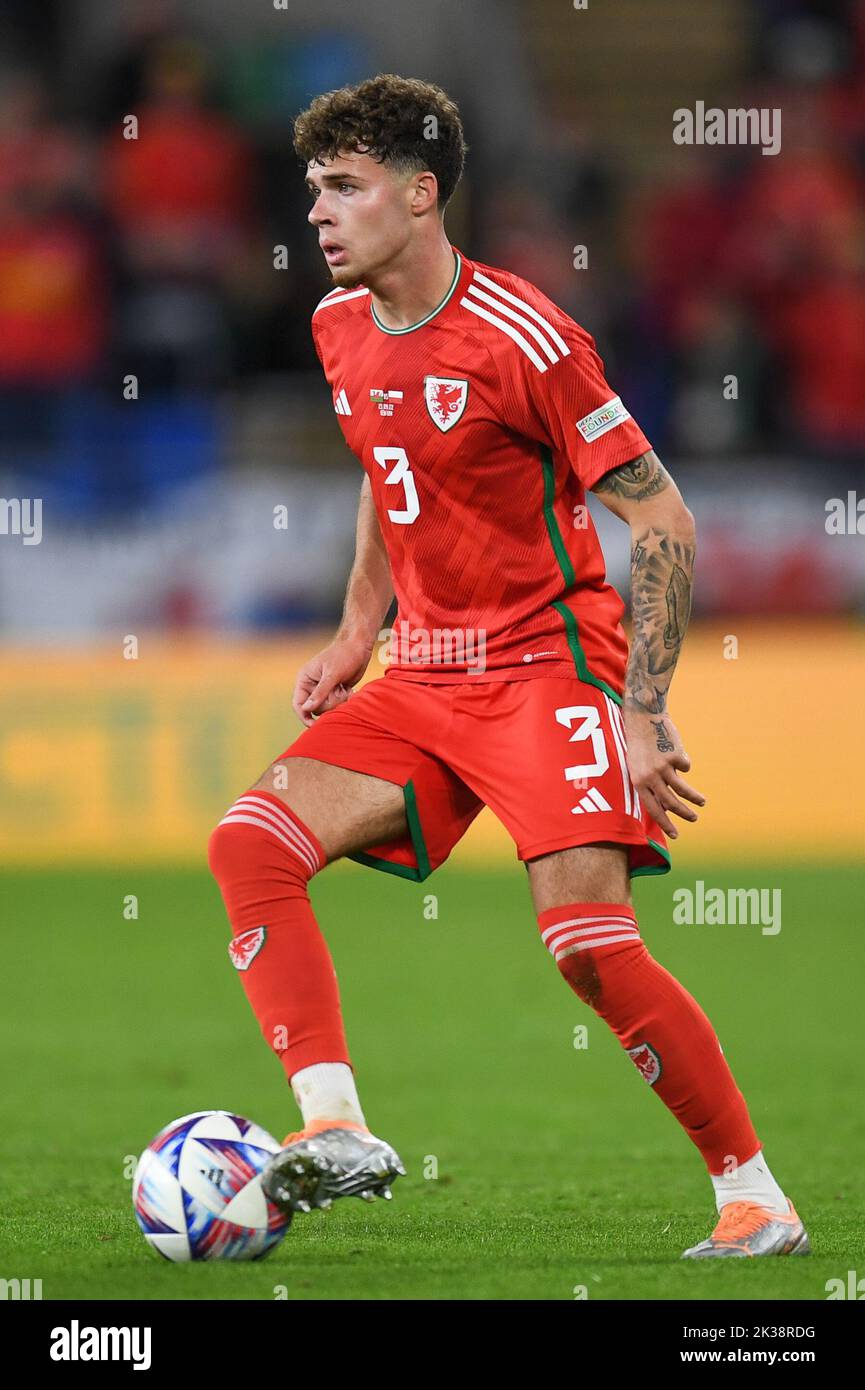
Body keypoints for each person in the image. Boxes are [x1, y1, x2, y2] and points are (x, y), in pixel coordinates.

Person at [208, 75, 809, 1258]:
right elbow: (391, 481)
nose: (316, 214)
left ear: (421, 195)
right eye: (312, 190)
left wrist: (641, 712)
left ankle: (754, 1196)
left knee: (585, 942)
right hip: (424, 676)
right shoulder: (337, 329)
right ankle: (335, 1127)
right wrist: (355, 625)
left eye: (344, 188)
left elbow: (666, 520)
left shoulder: (524, 338)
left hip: (550, 669)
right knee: (249, 840)